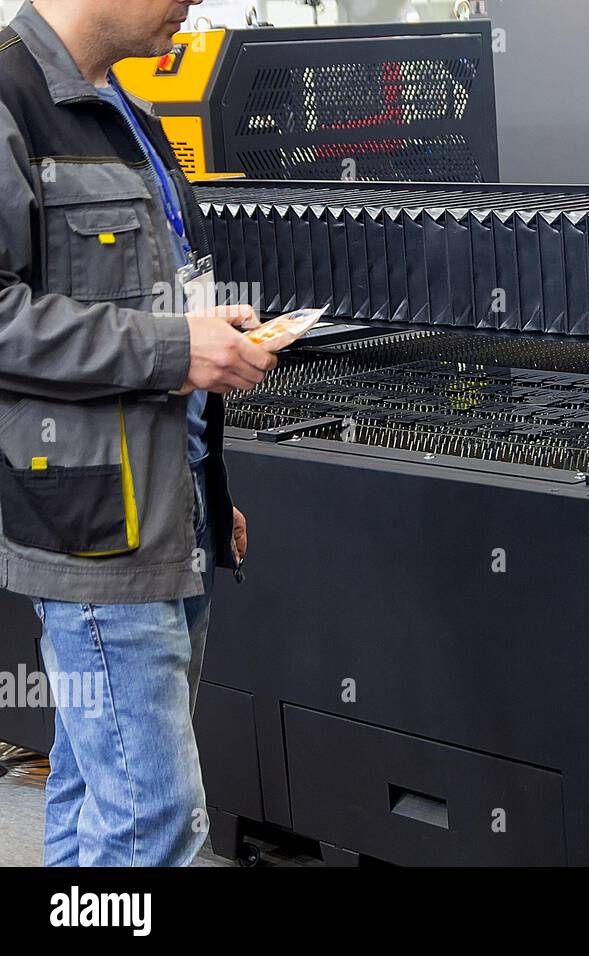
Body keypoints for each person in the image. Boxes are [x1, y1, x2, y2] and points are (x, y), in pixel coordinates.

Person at [0, 0, 276, 865]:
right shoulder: (9, 103)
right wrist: (173, 346)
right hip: (96, 536)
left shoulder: (125, 114)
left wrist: (205, 492)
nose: (192, 6)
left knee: (93, 796)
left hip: (168, 518)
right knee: (154, 818)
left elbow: (147, 308)